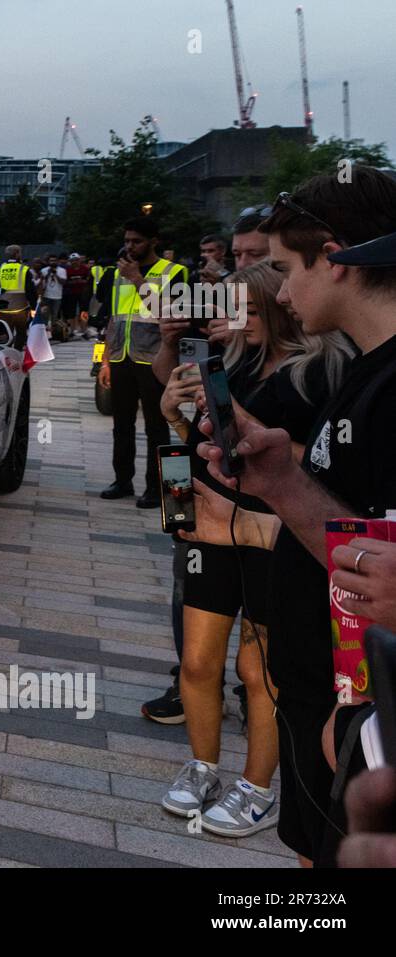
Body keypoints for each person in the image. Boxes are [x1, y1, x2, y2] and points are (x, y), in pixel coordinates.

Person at [188, 166, 396, 865]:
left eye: (281, 268)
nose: (276, 289)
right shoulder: (368, 372)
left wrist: (364, 703)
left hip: (357, 725)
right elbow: (359, 539)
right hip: (323, 705)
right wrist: (281, 480)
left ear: (335, 257)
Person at [156, 262, 352, 836]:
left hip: (277, 536)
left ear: (268, 306)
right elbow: (188, 449)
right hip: (208, 533)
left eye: (233, 307)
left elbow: (314, 462)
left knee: (258, 666)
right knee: (196, 661)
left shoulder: (318, 374)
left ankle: (257, 786)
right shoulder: (225, 368)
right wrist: (179, 513)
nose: (220, 319)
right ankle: (202, 768)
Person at [97, 218, 188, 509]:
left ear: (153, 241)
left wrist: (138, 279)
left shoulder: (176, 273)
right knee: (121, 424)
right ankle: (121, 480)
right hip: (123, 358)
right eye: (126, 241)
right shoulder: (117, 274)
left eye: (136, 241)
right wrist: (105, 361)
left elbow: (167, 314)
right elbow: (113, 320)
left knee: (157, 426)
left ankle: (157, 488)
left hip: (156, 360)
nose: (129, 246)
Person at [0, 245, 38, 349]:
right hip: (21, 308)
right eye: (20, 252)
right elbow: (30, 291)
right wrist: (34, 308)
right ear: (17, 254)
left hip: (4, 309)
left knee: (6, 335)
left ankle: (6, 355)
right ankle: (17, 354)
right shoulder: (24, 269)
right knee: (21, 333)